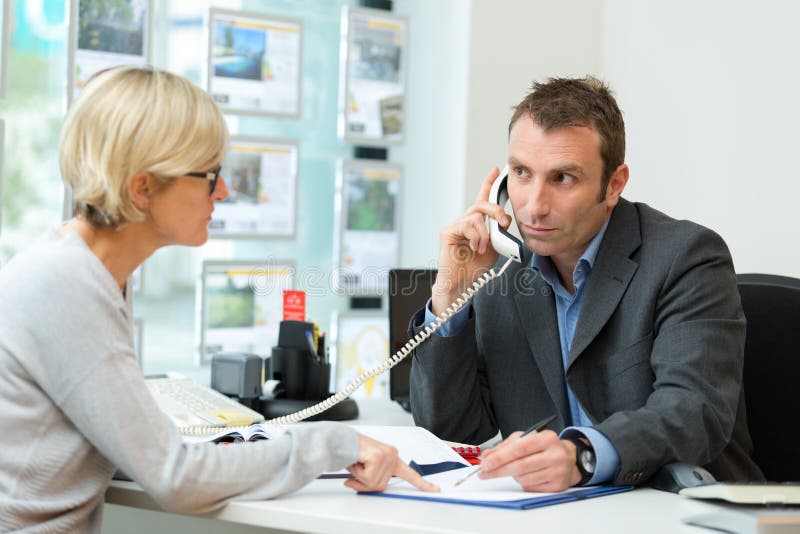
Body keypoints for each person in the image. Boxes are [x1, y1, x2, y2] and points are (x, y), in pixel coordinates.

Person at [0, 66, 436, 533]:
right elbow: (174, 477)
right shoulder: (67, 286)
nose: (224, 192)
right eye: (210, 176)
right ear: (143, 188)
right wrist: (337, 444)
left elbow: (133, 451)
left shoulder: (90, 273)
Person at [409, 76, 763, 492]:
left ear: (613, 185)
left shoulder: (686, 256)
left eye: (563, 178)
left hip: (676, 506)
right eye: (522, 173)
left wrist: (582, 454)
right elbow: (452, 431)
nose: (534, 206)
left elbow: (694, 410)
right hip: (560, 514)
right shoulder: (501, 273)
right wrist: (450, 297)